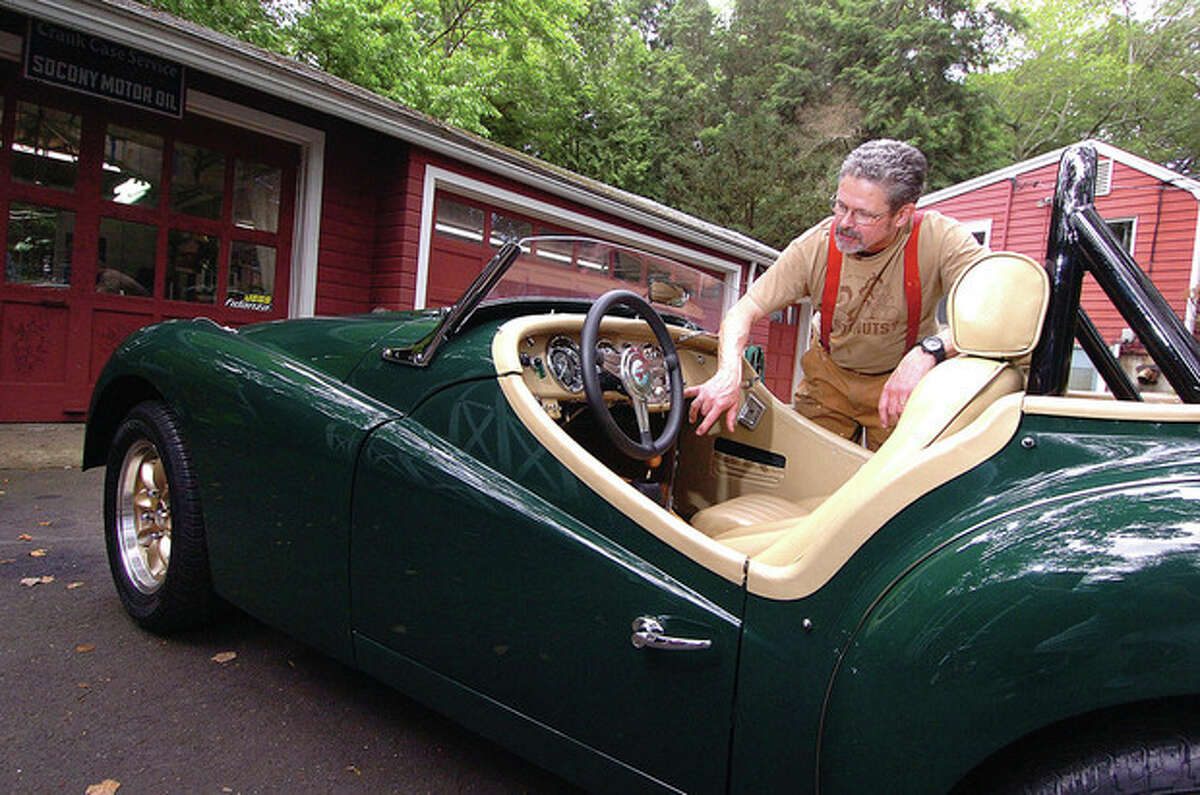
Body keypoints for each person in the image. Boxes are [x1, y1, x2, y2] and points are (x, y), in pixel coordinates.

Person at [686, 139, 984, 450]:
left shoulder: (940, 238)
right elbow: (743, 311)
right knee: (809, 477)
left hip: (900, 383)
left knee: (892, 487)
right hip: (828, 380)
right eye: (841, 205)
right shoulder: (815, 245)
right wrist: (728, 372)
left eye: (863, 214)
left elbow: (999, 313)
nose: (844, 223)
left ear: (901, 215)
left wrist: (931, 351)